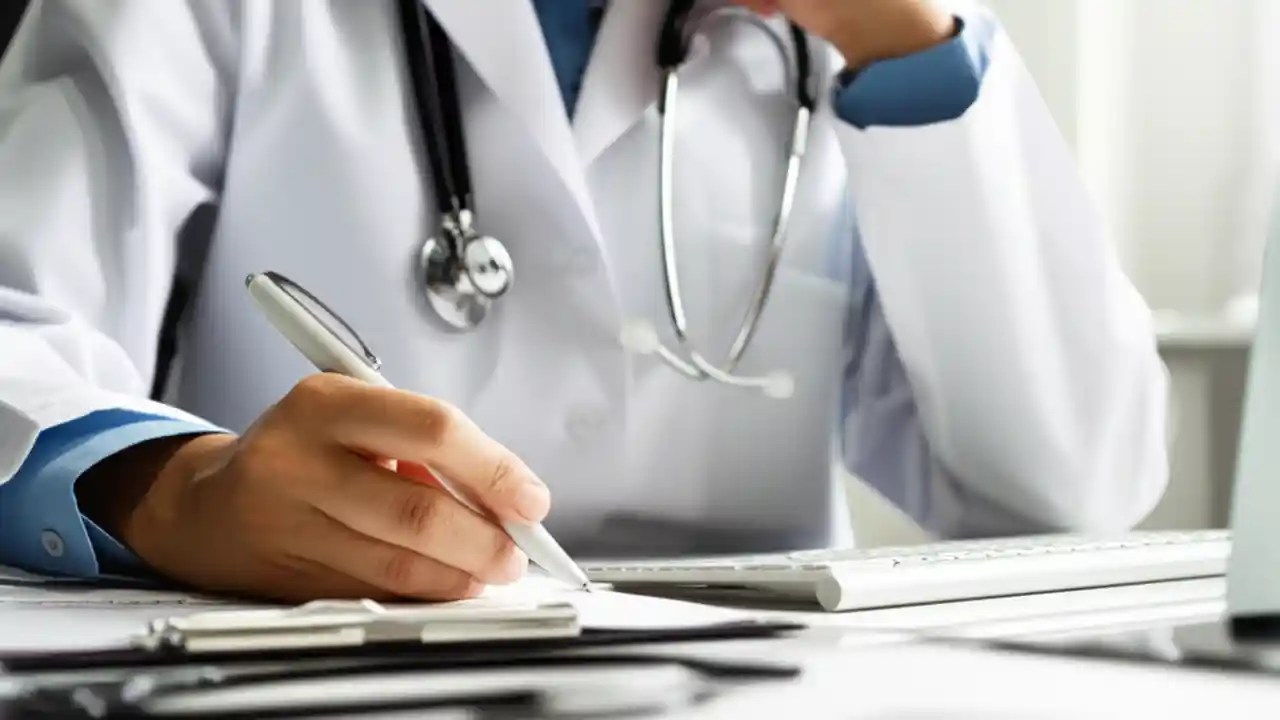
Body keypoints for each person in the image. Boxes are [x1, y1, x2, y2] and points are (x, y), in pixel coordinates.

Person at [0, 0, 1168, 603]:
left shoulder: (853, 39)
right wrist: (166, 493)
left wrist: (906, 45)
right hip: (331, 669)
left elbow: (1071, 491)